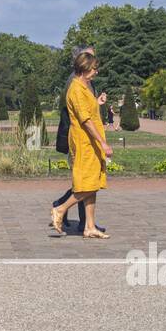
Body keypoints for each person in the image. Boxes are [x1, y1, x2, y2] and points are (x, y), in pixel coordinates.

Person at [50, 51, 111, 239]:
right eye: (93, 69)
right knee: (85, 184)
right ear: (84, 69)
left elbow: (88, 109)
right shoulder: (76, 89)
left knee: (93, 183)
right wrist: (103, 143)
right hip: (84, 142)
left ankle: (89, 227)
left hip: (91, 142)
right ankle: (60, 209)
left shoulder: (85, 87)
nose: (96, 72)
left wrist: (97, 102)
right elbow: (85, 120)